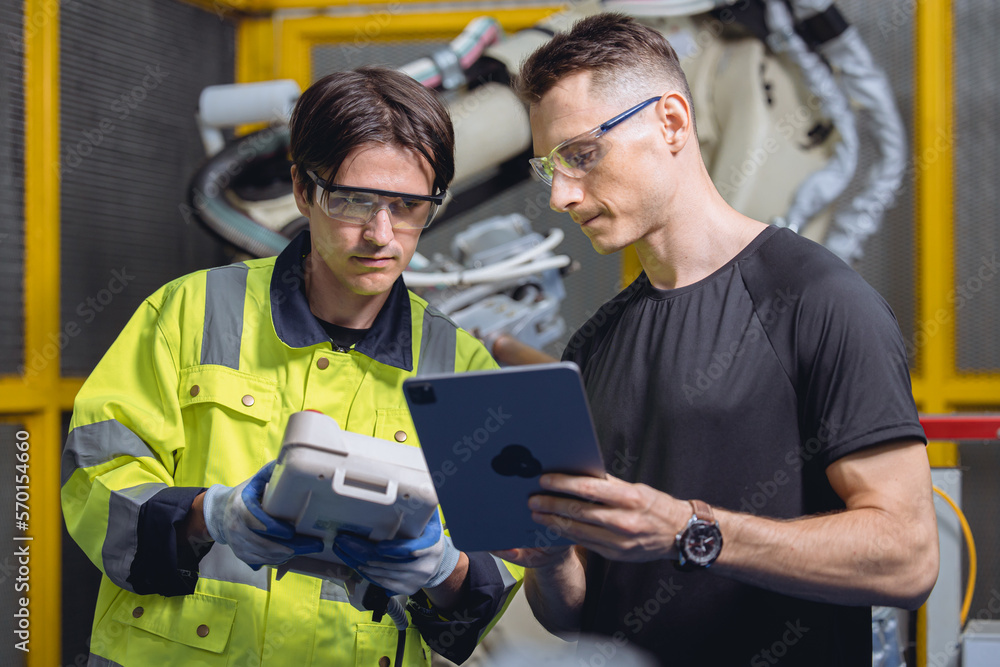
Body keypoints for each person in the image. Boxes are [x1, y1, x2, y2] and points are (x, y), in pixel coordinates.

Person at [494, 13, 939, 665]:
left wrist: (687, 529)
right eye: (548, 167)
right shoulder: (592, 346)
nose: (561, 194)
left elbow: (909, 556)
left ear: (672, 123)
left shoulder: (821, 302)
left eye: (581, 155)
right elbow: (578, 614)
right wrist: (551, 552)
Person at [61, 66, 521, 667]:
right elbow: (95, 476)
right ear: (304, 191)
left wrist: (440, 568)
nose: (381, 235)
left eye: (409, 207)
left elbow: (501, 568)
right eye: (355, 200)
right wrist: (211, 517)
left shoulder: (464, 369)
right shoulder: (188, 311)